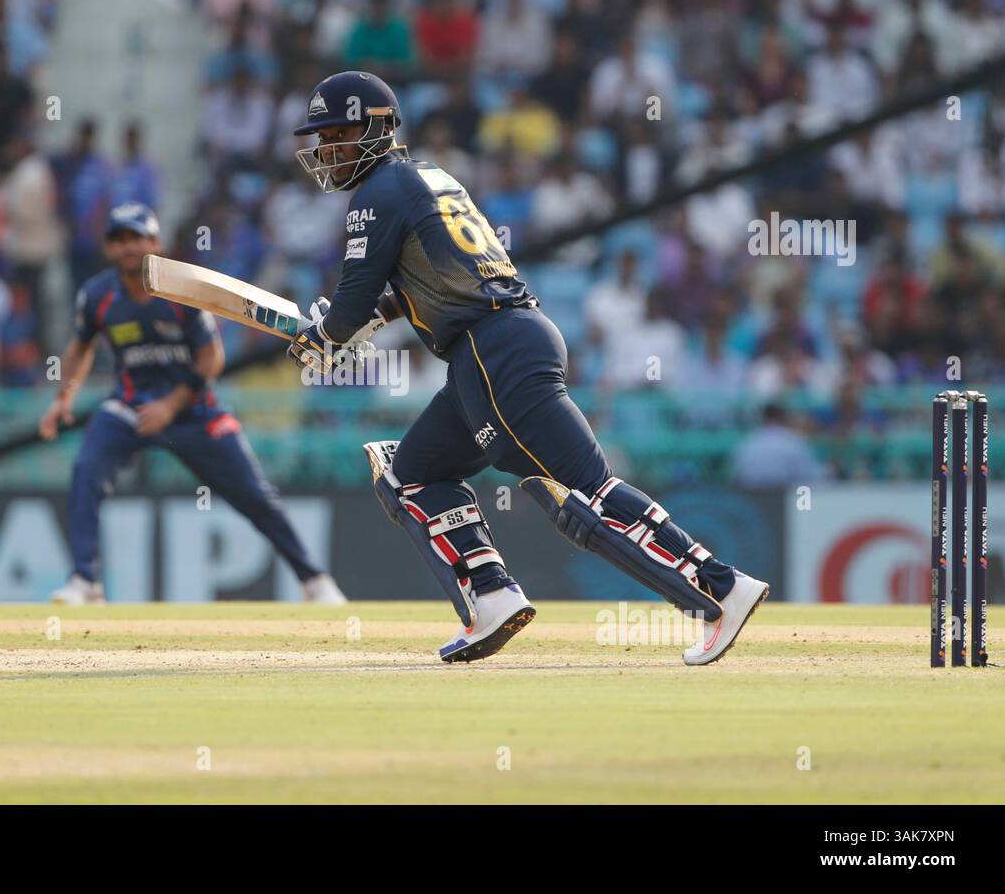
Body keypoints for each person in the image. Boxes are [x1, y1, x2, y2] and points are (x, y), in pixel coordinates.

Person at [287, 71, 768, 664]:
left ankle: (719, 589)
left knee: (580, 494)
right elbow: (420, 285)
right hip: (491, 350)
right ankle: (491, 598)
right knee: (411, 475)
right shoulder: (429, 177)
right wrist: (354, 325)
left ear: (377, 128)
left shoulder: (378, 193)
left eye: (338, 133)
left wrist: (327, 335)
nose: (327, 149)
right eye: (322, 136)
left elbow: (355, 299)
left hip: (494, 350)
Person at [39, 202, 344, 605]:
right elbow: (80, 347)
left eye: (138, 238)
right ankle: (84, 581)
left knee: (253, 494)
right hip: (130, 405)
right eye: (120, 239)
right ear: (109, 247)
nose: (129, 248)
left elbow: (212, 359)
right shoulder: (97, 295)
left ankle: (315, 581)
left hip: (194, 410)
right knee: (86, 469)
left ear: (156, 242)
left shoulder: (181, 290)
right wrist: (63, 399)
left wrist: (169, 406)